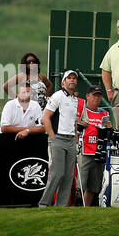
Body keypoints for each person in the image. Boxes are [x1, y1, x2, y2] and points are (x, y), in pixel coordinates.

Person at [38, 70, 84, 207]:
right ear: (63, 82)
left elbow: (74, 122)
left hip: (70, 140)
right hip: (58, 138)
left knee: (69, 176)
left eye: (74, 78)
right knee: (57, 173)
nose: (72, 80)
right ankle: (44, 203)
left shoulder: (75, 100)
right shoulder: (57, 96)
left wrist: (75, 139)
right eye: (69, 78)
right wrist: (53, 137)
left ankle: (61, 206)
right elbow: (45, 118)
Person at [76, 86, 108, 207]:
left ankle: (86, 209)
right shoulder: (82, 111)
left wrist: (109, 127)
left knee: (94, 186)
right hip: (84, 152)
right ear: (88, 96)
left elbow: (107, 133)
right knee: (80, 184)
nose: (96, 98)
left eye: (99, 95)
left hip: (99, 153)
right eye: (94, 95)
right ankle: (73, 208)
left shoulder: (104, 113)